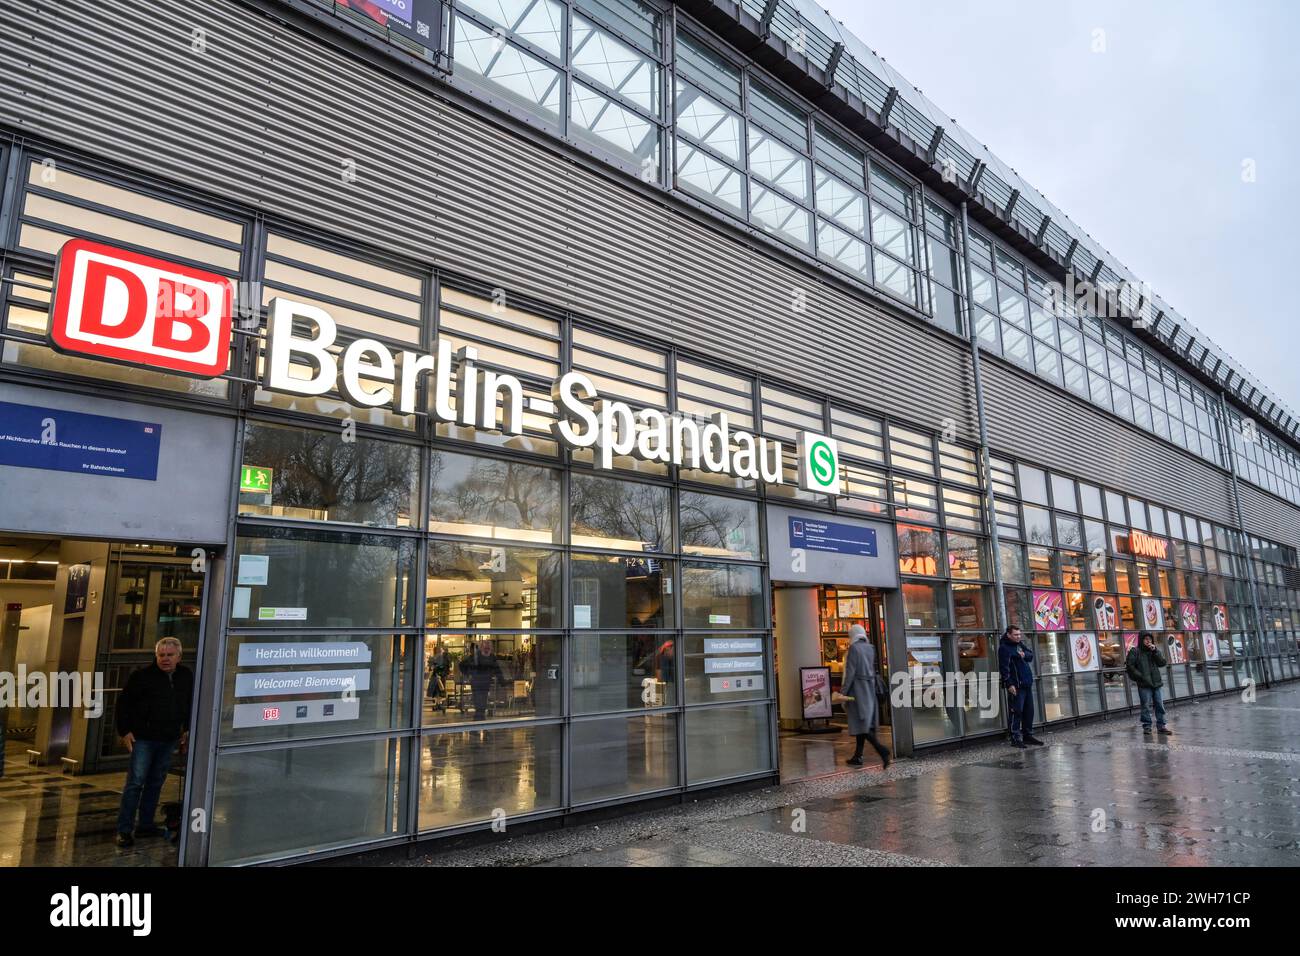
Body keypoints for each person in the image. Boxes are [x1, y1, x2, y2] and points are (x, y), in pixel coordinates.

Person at [115, 637, 193, 847]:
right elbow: (123, 704)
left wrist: (187, 729)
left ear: (179, 657)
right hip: (143, 739)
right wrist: (125, 731)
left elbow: (188, 704)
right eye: (161, 655)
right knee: (135, 783)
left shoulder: (185, 676)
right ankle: (124, 829)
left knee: (156, 782)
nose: (165, 659)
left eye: (169, 655)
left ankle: (146, 825)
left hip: (168, 738)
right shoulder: (142, 676)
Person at [841, 624, 890, 768]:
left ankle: (882, 750)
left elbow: (850, 674)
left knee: (862, 725)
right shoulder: (871, 648)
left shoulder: (854, 649)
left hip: (857, 691)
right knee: (864, 723)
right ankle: (858, 755)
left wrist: (843, 693)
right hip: (869, 689)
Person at [998, 625, 1044, 748]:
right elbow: (1004, 668)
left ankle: (1027, 735)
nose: (1018, 637)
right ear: (1008, 635)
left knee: (1029, 711)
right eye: (1016, 635)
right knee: (1016, 712)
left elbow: (1030, 655)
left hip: (1026, 683)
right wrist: (1009, 684)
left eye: (1019, 634)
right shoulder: (1004, 648)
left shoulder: (1019, 645)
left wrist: (1024, 655)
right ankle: (1015, 738)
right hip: (1016, 685)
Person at [1126, 631, 1172, 735]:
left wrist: (1155, 651)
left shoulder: (1153, 650)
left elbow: (1162, 663)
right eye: (1146, 639)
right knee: (1145, 706)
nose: (1148, 641)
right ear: (1141, 640)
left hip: (1156, 683)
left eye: (1150, 639)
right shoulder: (1135, 651)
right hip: (1144, 684)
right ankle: (1147, 726)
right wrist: (1141, 677)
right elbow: (1130, 666)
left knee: (1159, 704)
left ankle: (1162, 726)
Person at [460, 638, 503, 721]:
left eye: (489, 648)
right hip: (477, 683)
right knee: (479, 704)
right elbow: (462, 664)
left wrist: (502, 681)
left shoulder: (491, 657)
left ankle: (479, 723)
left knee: (482, 704)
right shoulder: (475, 656)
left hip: (485, 684)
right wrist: (468, 674)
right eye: (486, 648)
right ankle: (479, 722)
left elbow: (497, 669)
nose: (487, 649)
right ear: (482, 648)